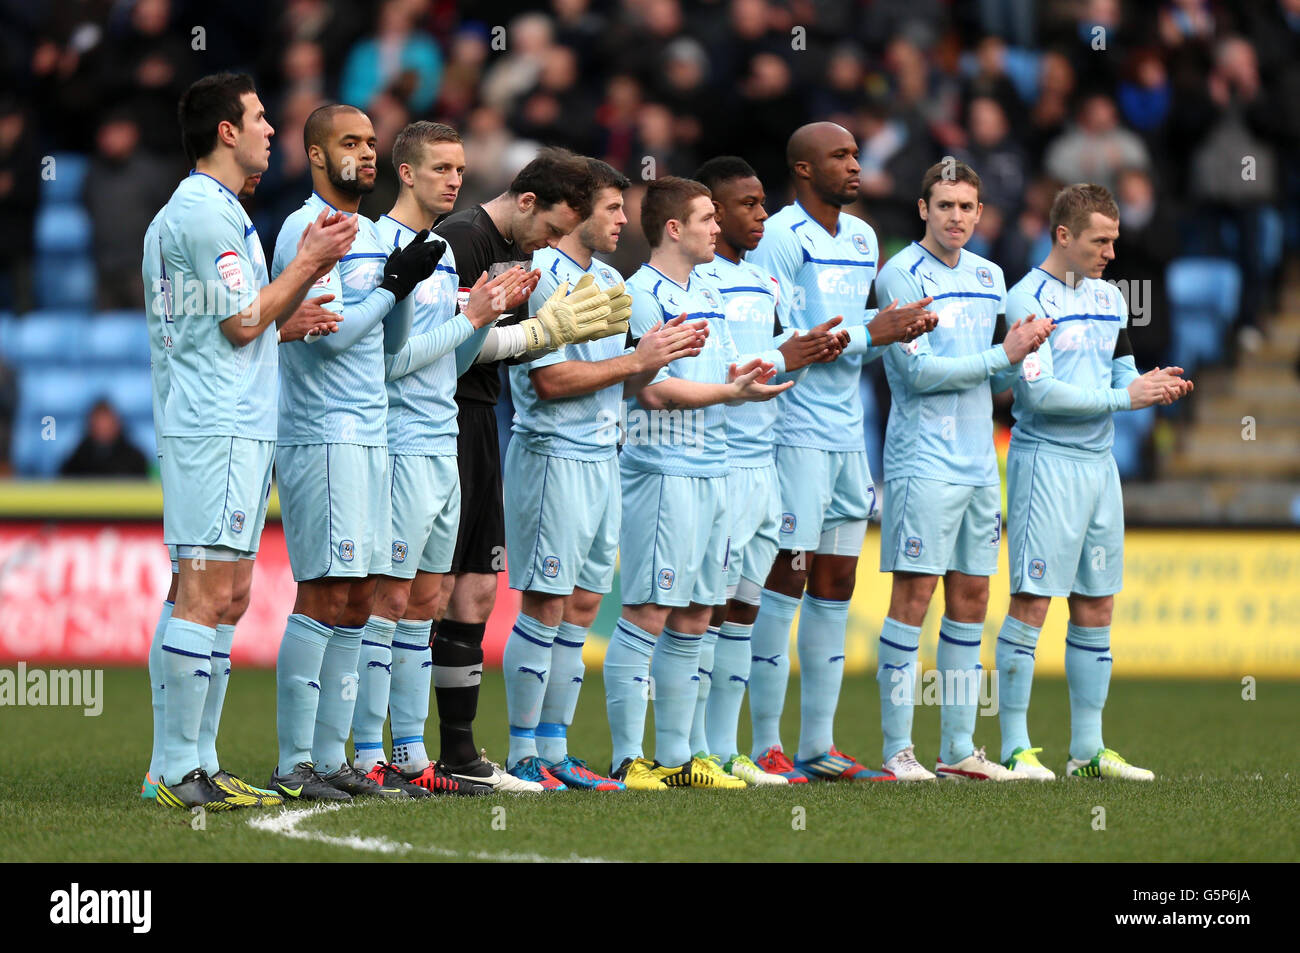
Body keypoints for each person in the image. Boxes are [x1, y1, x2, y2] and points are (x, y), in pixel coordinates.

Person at [149, 73, 355, 812]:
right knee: (206, 591)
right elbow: (239, 322)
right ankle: (175, 771)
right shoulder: (204, 215)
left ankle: (191, 762)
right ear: (226, 132)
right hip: (213, 425)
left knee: (224, 594)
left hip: (232, 420)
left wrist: (288, 318)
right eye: (261, 118)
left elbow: (231, 320)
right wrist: (308, 264)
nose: (274, 129)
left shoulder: (220, 214)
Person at [499, 158, 707, 790]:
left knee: (585, 603)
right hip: (551, 453)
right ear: (577, 211)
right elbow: (549, 379)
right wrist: (633, 363)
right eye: (613, 208)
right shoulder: (542, 279)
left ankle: (557, 749)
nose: (624, 220)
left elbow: (627, 382)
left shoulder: (612, 280)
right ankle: (521, 752)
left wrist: (657, 360)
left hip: (602, 454)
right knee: (546, 600)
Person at [744, 121, 935, 782]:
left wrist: (900, 331)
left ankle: (816, 744)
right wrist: (871, 329)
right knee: (787, 575)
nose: (856, 166)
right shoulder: (775, 237)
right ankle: (766, 741)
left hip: (849, 432)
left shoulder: (862, 238)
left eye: (856, 154)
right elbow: (782, 335)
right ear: (803, 169)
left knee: (837, 580)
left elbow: (858, 336)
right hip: (793, 428)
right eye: (841, 156)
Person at [269, 103, 444, 802]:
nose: (366, 154)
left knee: (361, 597)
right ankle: (292, 763)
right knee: (323, 592)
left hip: (372, 433)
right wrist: (392, 286)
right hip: (325, 430)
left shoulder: (371, 231)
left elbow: (390, 347)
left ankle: (331, 756)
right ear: (315, 155)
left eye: (371, 143)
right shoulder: (306, 229)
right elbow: (334, 333)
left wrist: (402, 288)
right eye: (350, 143)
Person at [359, 120, 535, 796]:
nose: (455, 180)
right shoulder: (384, 247)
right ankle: (371, 751)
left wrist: (483, 319)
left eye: (459, 169)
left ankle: (410, 754)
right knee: (392, 598)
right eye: (440, 169)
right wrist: (472, 319)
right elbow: (392, 362)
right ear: (405, 172)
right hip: (401, 444)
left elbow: (453, 362)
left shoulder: (436, 248)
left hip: (443, 440)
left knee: (426, 599)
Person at [604, 175, 796, 791]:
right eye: (708, 218)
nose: (719, 228)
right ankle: (628, 758)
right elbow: (652, 388)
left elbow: (727, 367)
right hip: (664, 470)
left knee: (696, 613)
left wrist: (772, 365)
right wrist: (732, 391)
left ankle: (682, 759)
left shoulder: (709, 287)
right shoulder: (638, 296)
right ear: (673, 229)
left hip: (716, 470)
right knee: (649, 610)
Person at [995, 183, 1192, 781]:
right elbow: (1037, 394)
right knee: (1032, 600)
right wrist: (1125, 398)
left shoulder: (1111, 298)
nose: (1110, 251)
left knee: (1097, 602)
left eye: (1114, 240)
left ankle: (1088, 750)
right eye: (1099, 240)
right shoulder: (1025, 299)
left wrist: (1151, 385)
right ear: (1063, 236)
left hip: (1099, 467)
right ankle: (1015, 747)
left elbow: (1123, 369)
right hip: (1047, 462)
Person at [873, 159, 1054, 782]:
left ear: (981, 213)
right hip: (922, 460)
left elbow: (994, 376)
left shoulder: (989, 275)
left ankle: (957, 748)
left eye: (967, 207)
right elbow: (917, 375)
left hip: (980, 463)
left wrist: (1021, 353)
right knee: (913, 598)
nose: (956, 217)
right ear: (923, 208)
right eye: (945, 205)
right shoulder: (900, 274)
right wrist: (1000, 354)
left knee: (972, 596)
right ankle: (898, 749)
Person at [430, 147, 598, 791]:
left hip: (480, 420)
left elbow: (492, 351)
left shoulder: (518, 251)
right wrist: (541, 337)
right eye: (553, 229)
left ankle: (460, 755)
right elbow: (448, 348)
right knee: (425, 593)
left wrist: (541, 334)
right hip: (439, 420)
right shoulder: (462, 240)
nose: (552, 245)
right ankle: (392, 751)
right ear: (527, 202)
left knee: (475, 588)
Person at [687, 155, 848, 787]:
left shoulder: (766, 281)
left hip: (765, 459)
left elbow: (777, 367)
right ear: (713, 212)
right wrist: (782, 353)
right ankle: (692, 749)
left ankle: (727, 751)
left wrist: (805, 353)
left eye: (762, 203)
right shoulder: (701, 283)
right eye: (748, 205)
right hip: (715, 461)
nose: (761, 215)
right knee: (709, 606)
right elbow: (712, 369)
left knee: (746, 607)